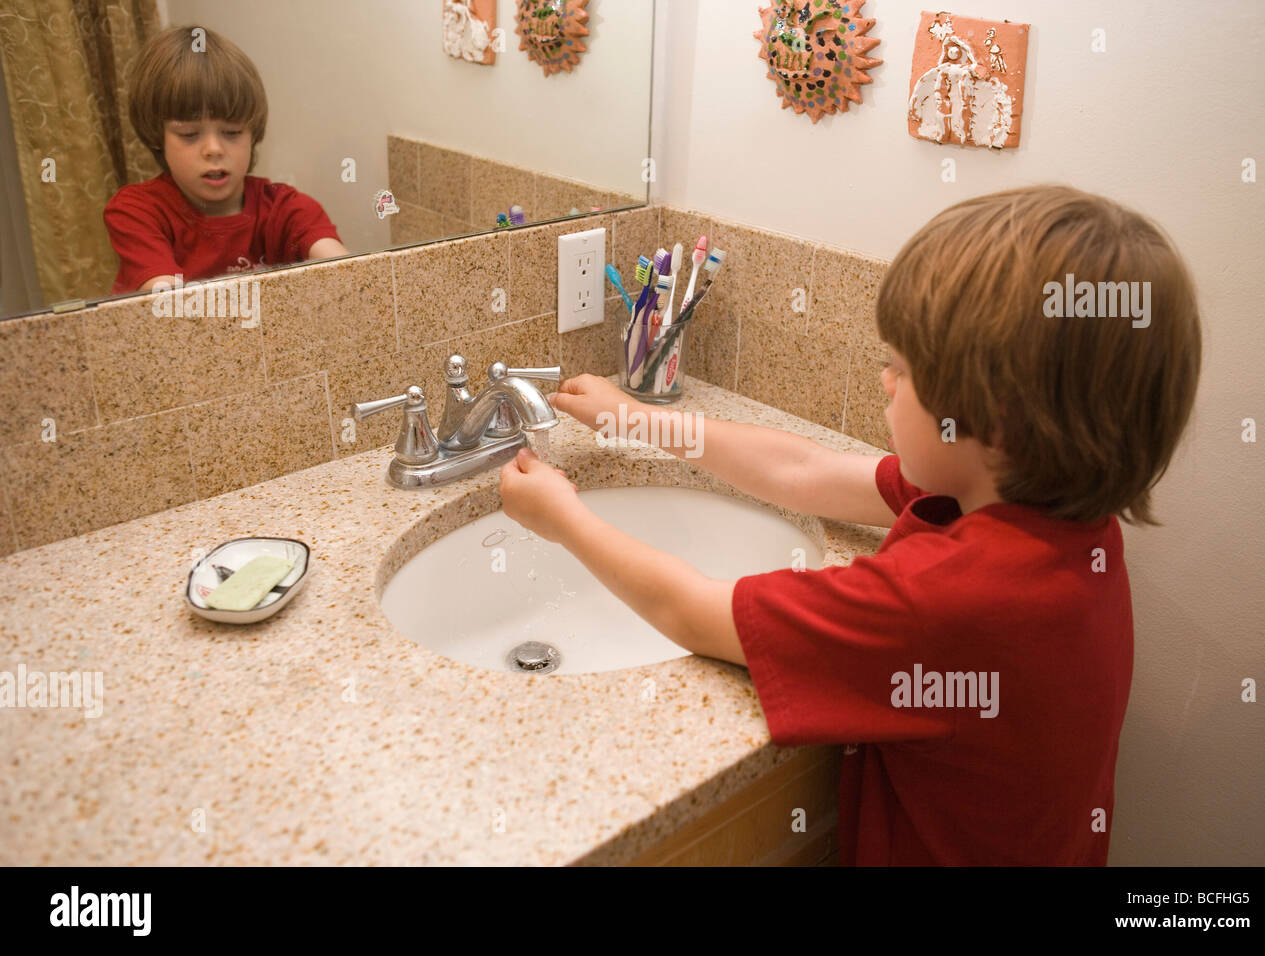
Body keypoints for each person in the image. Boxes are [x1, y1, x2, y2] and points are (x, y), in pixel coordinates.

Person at [497, 184, 1203, 865]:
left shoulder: (949, 602)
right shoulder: (1050, 507)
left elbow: (691, 611)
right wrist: (643, 420)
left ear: (995, 422)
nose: (884, 383)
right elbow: (804, 471)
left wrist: (565, 519)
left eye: (901, 371)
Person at [104, 25, 348, 294]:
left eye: (232, 133)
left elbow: (352, 277)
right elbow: (172, 310)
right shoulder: (136, 212)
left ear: (252, 133)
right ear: (156, 138)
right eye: (189, 134)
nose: (214, 149)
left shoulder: (287, 208)